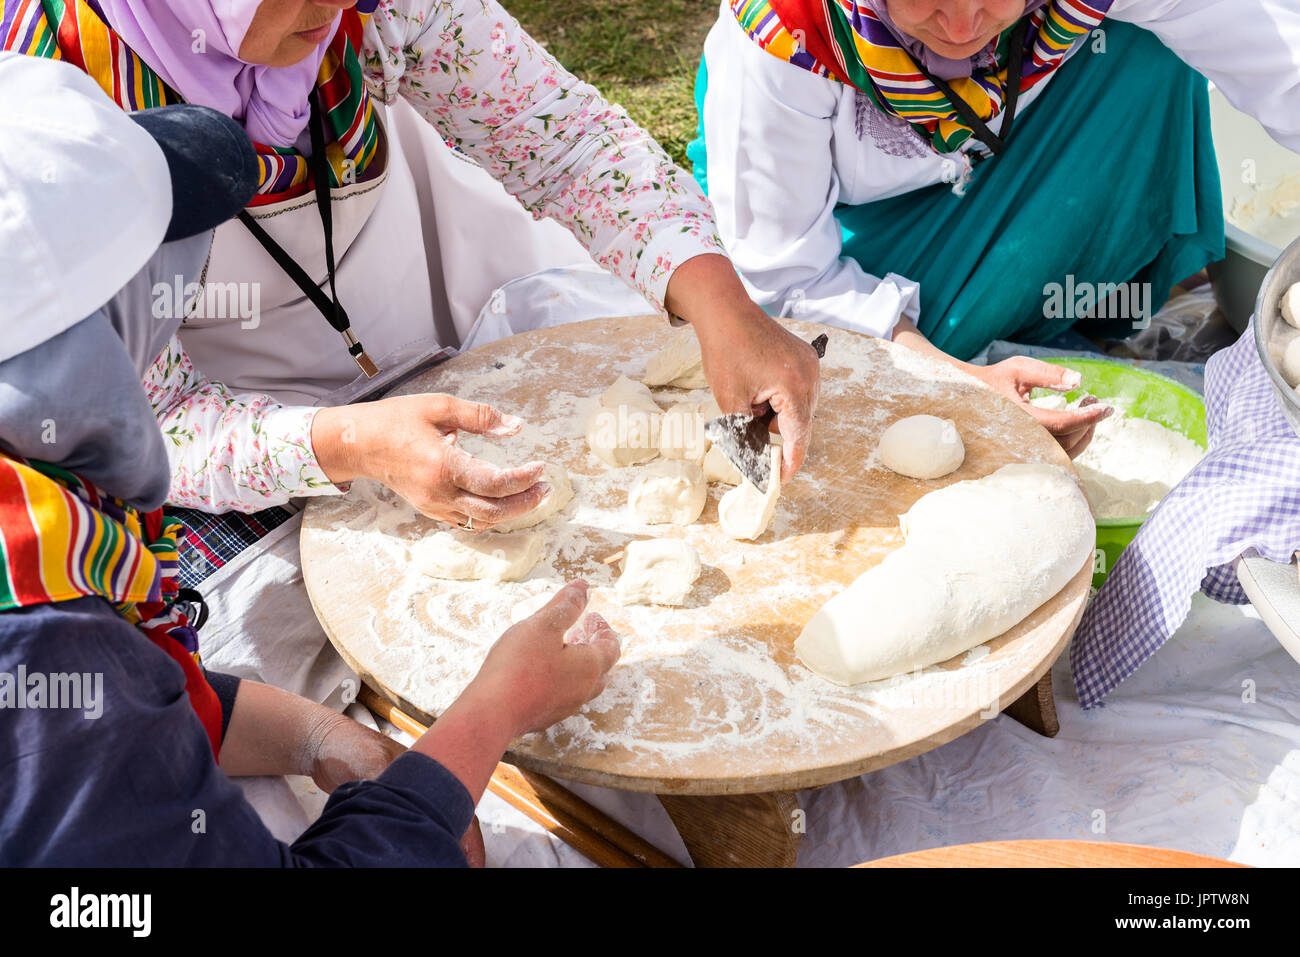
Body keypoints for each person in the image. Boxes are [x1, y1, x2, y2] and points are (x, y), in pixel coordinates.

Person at [0, 52, 619, 866]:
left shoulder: (48, 540)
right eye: (158, 260)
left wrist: (317, 732)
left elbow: (152, 696)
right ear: (91, 346)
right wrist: (493, 713)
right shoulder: (52, 657)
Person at [1, 0, 821, 535]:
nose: (334, 7)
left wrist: (723, 308)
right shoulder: (49, 127)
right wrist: (351, 442)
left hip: (441, 319)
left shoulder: (373, 10)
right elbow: (152, 417)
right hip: (256, 442)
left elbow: (568, 144)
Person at [691, 0, 1300, 456]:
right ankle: (979, 342)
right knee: (849, 352)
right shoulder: (782, 31)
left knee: (1151, 50)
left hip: (995, 162)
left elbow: (1278, 55)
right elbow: (784, 276)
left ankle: (1079, 310)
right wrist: (957, 383)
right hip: (862, 240)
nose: (961, 28)